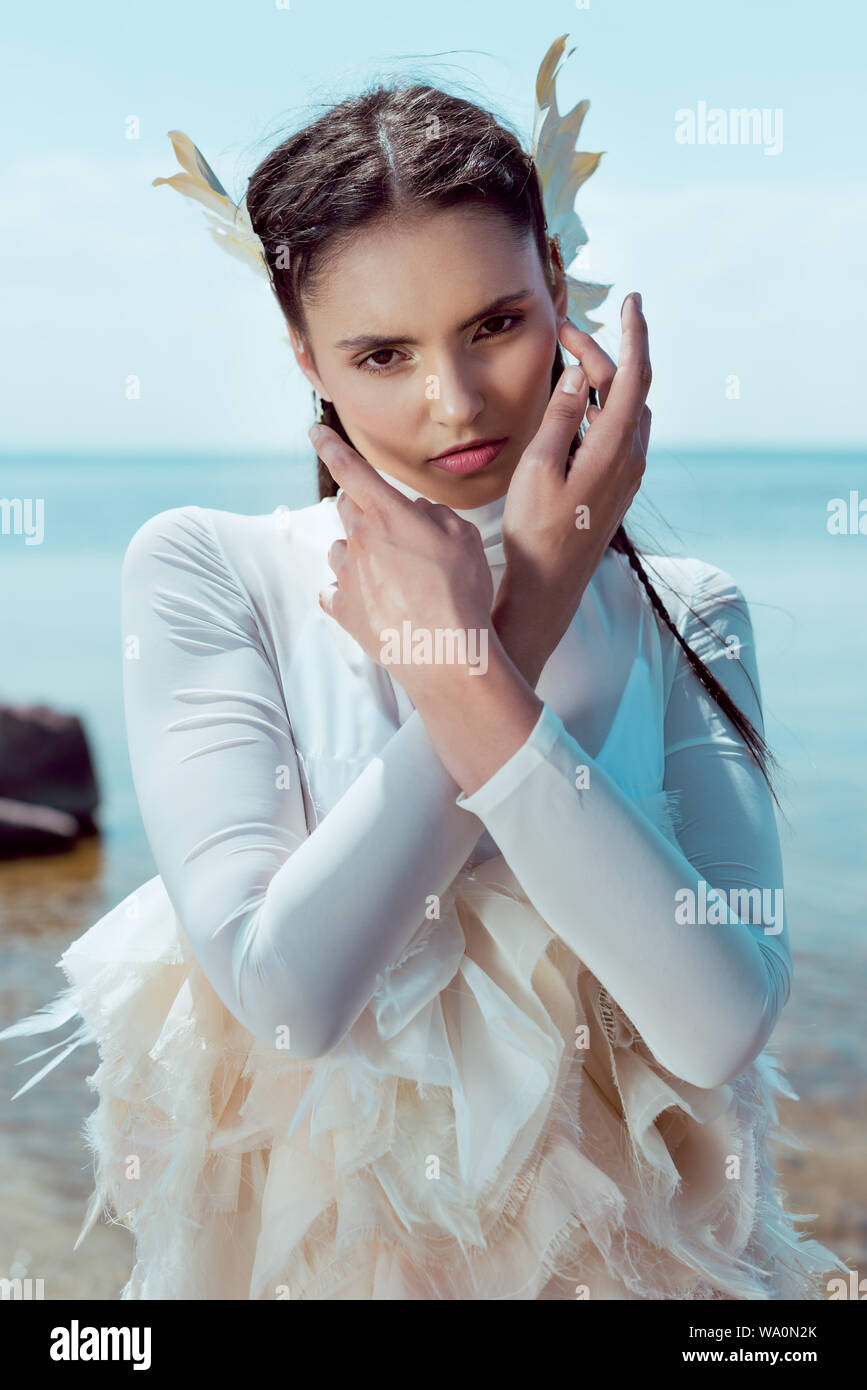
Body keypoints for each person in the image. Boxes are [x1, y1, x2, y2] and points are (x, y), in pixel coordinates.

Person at [1, 39, 847, 1301]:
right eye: (381, 355)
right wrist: (525, 618)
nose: (455, 403)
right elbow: (292, 1000)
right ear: (306, 359)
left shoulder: (691, 615)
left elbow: (716, 1023)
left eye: (497, 324)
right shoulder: (210, 572)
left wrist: (502, 638)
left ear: (560, 288)